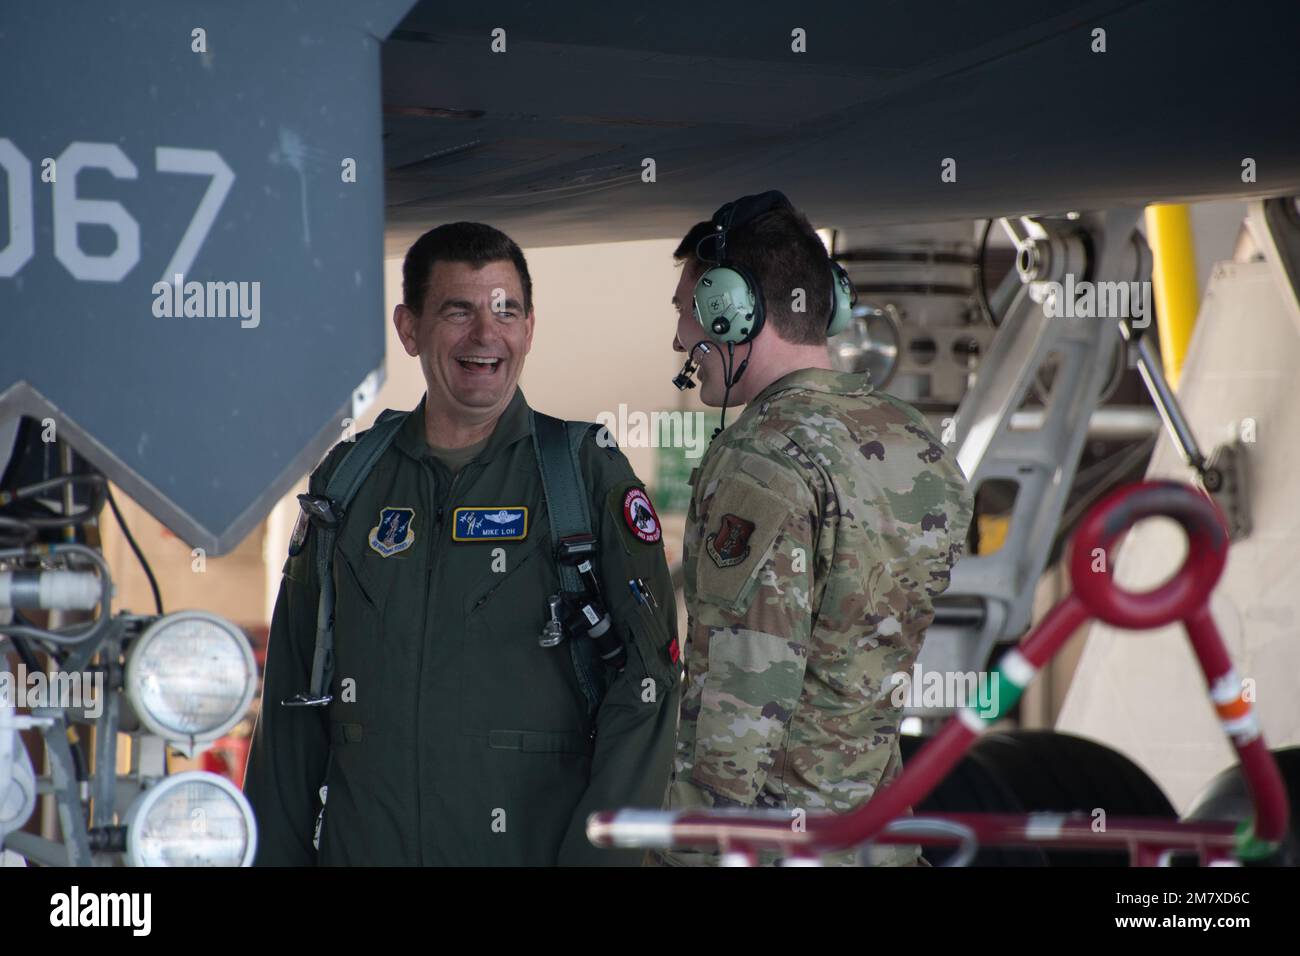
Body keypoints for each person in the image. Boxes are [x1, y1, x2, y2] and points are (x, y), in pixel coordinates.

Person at [243, 222, 680, 865]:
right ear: (409, 328)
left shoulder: (584, 476)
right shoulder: (348, 482)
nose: (485, 334)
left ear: (529, 328)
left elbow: (649, 687)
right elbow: (291, 696)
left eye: (505, 310)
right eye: (458, 311)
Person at [659, 192, 972, 866]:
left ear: (732, 310)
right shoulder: (916, 446)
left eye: (688, 313)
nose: (683, 339)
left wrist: (684, 855)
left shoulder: (760, 460)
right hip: (880, 840)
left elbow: (743, 700)